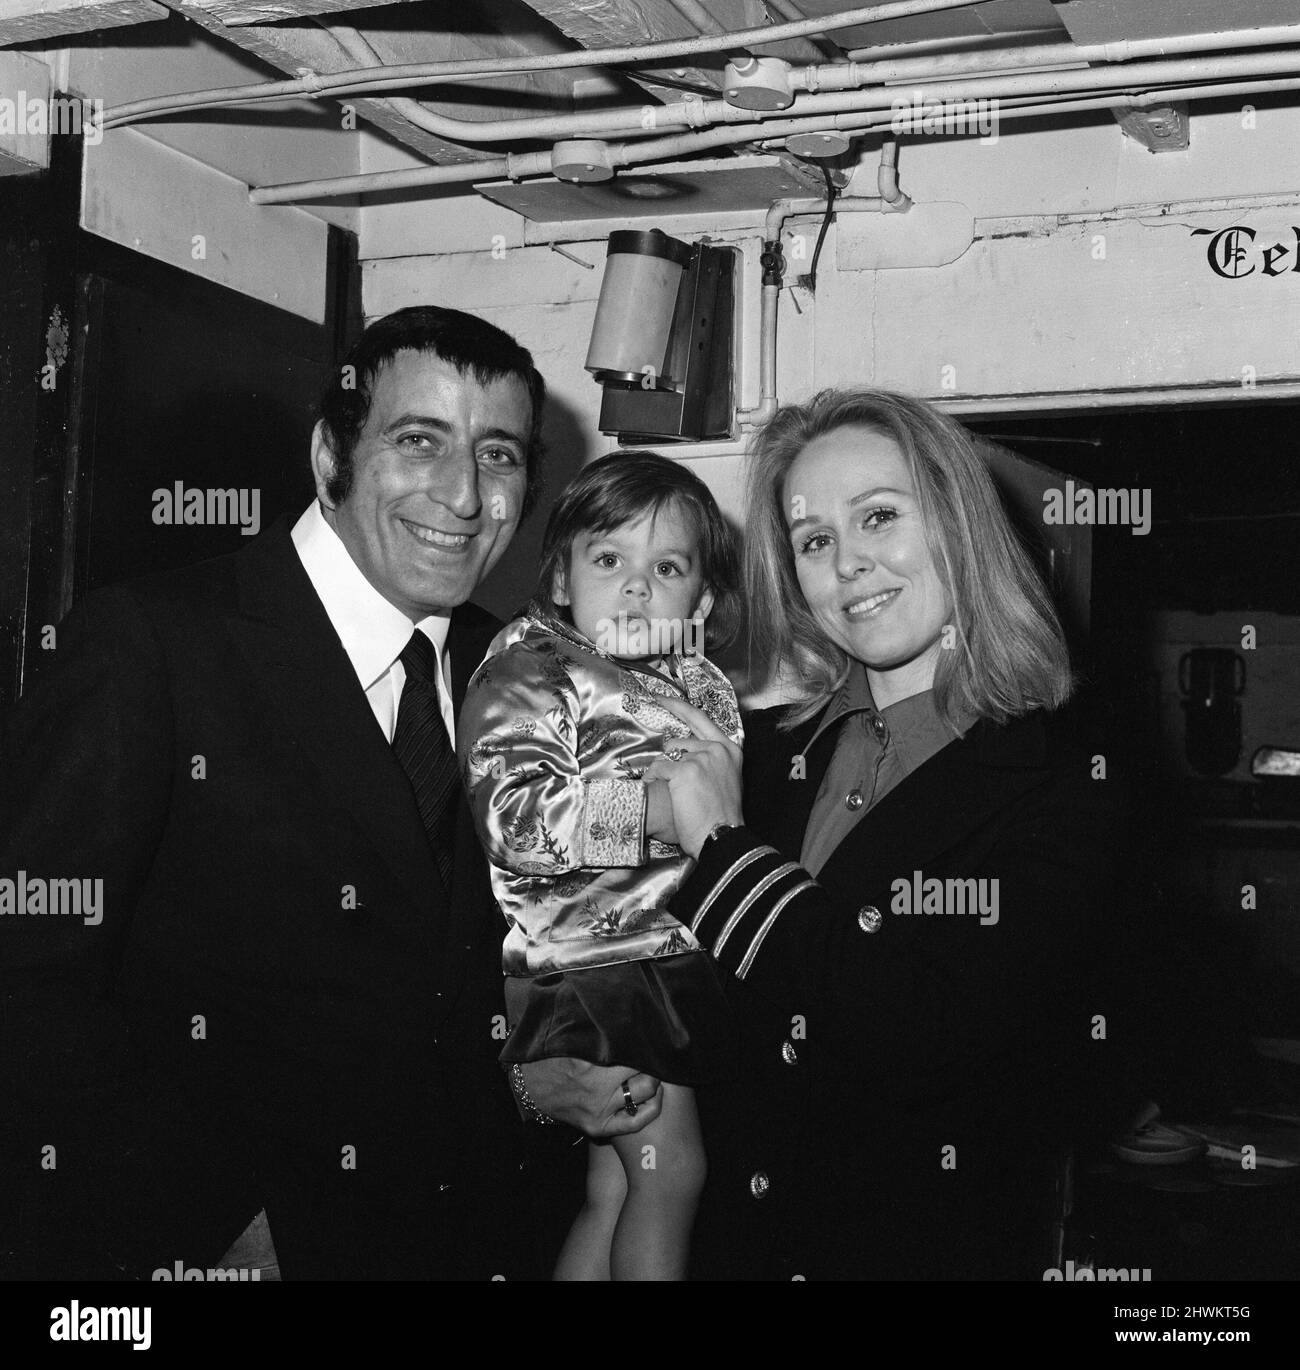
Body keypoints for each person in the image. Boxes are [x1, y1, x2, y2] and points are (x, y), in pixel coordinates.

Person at [0, 306, 659, 1282]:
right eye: (419, 441)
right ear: (329, 454)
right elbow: (26, 983)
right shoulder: (153, 646)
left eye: (499, 455)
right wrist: (219, 1226)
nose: (464, 495)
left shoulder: (523, 675)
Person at [643, 388, 1125, 1280]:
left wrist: (722, 852)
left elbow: (926, 1029)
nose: (850, 564)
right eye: (816, 541)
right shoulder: (763, 749)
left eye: (879, 517)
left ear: (957, 525)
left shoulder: (1067, 786)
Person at [458, 452, 742, 1280]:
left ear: (704, 601)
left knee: (617, 1187)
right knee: (675, 1171)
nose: (636, 587)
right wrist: (659, 815)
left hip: (649, 957)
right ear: (559, 576)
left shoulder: (687, 683)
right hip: (599, 963)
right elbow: (515, 822)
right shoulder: (535, 670)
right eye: (608, 559)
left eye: (667, 568)